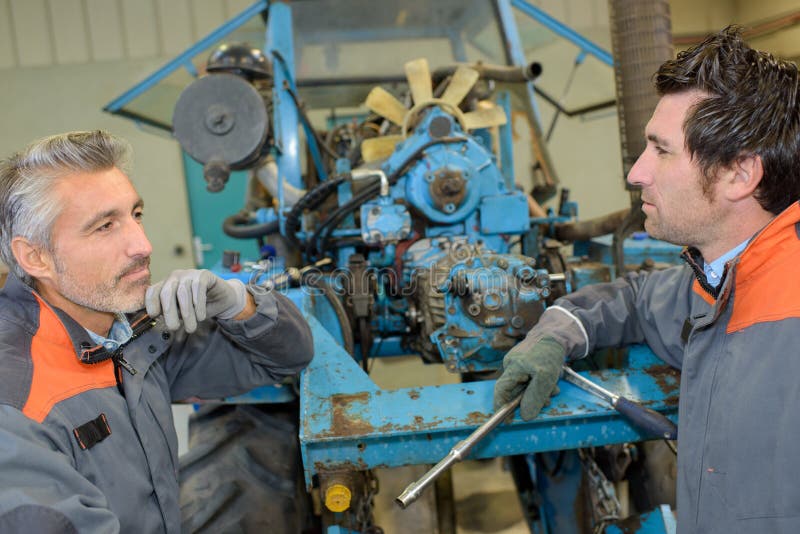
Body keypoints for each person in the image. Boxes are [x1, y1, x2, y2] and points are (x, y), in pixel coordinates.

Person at [494, 26, 800, 533]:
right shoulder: (717, 280)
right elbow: (634, 299)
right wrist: (555, 333)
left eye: (661, 151)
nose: (637, 172)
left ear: (739, 174)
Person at [0, 130, 314, 532]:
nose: (142, 244)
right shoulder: (14, 404)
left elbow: (289, 357)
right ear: (36, 257)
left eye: (136, 214)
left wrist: (239, 305)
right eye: (105, 226)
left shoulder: (127, 339)